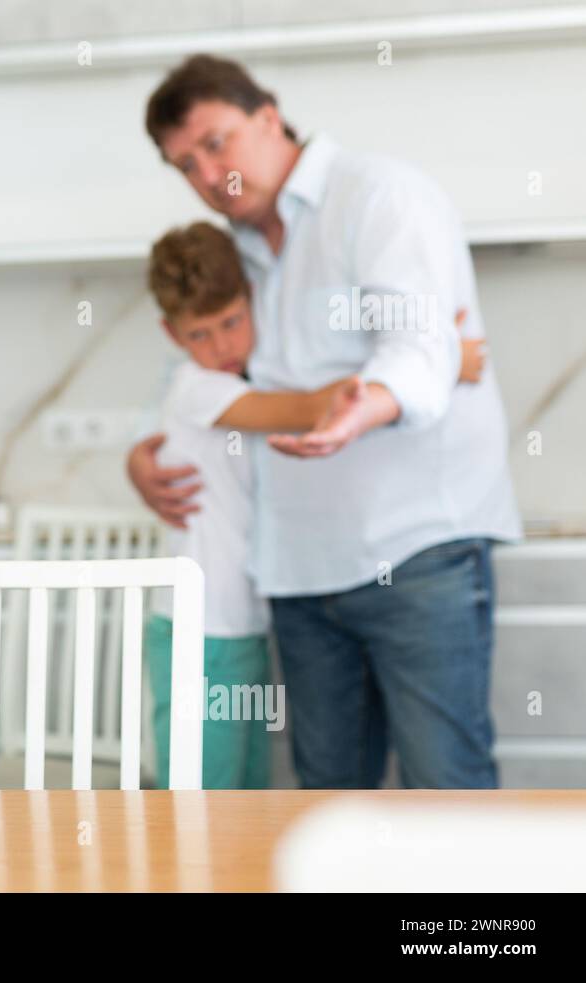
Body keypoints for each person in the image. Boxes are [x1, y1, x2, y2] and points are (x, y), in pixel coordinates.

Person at [130, 55, 522, 789]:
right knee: (329, 801)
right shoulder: (238, 248)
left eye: (216, 143)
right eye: (185, 163)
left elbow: (415, 347)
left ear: (270, 116)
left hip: (416, 553)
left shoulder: (378, 197)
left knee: (447, 785)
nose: (209, 175)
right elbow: (201, 376)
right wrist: (140, 457)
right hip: (300, 573)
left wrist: (364, 405)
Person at [140, 221, 485, 789]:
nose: (221, 346)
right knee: (199, 803)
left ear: (252, 301)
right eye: (200, 334)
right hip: (196, 631)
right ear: (172, 335)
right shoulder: (195, 388)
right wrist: (441, 359)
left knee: (243, 801)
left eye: (231, 322)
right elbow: (304, 409)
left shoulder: (238, 378)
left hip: (239, 625)